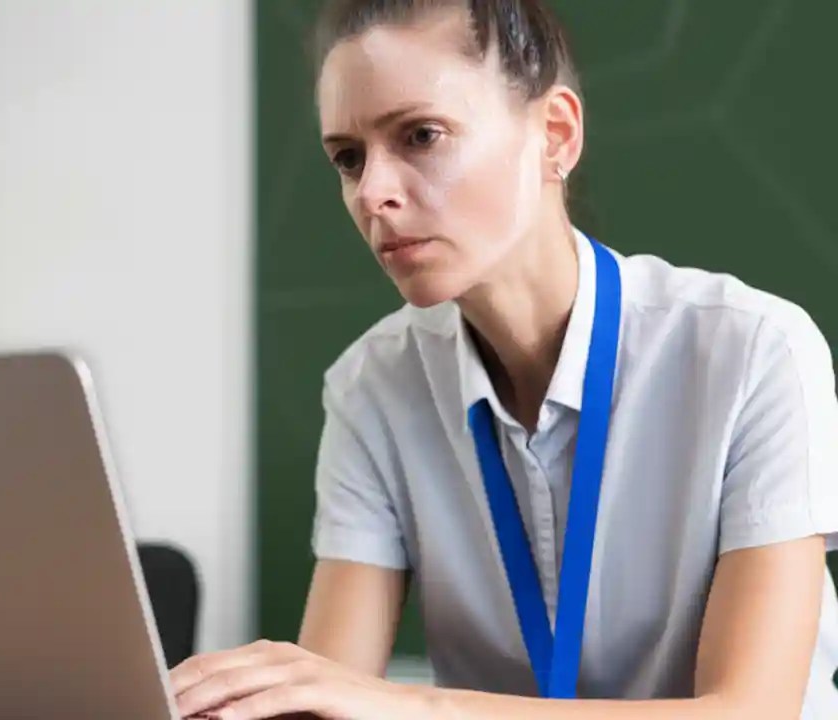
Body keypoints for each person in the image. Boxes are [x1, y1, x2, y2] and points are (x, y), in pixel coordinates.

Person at [170, 0, 838, 718]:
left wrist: (418, 707)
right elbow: (327, 693)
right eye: (348, 157)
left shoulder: (754, 350)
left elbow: (750, 713)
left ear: (555, 135)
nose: (372, 193)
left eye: (421, 135)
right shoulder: (372, 387)